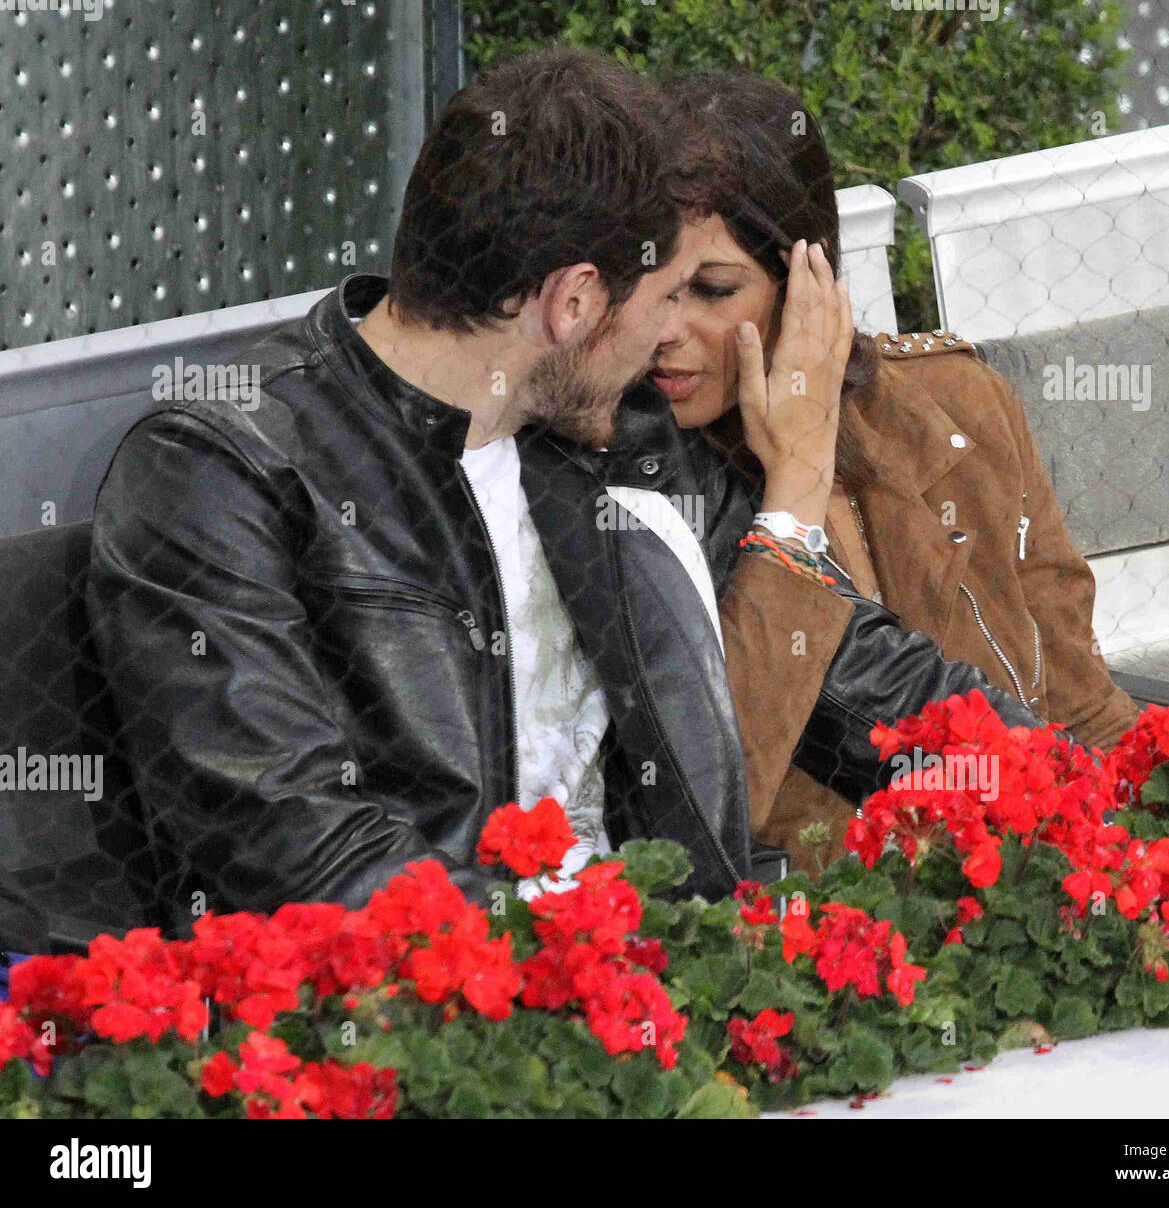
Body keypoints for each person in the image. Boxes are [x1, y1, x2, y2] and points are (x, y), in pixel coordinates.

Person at [86, 45, 758, 927]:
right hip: (425, 1027)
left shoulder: (592, 432)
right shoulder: (222, 468)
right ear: (575, 303)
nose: (672, 334)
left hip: (647, 989)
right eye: (669, 296)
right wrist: (606, 944)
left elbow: (848, 677)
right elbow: (299, 859)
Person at [655, 68, 1142, 873]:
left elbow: (1081, 704)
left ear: (807, 280)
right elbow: (712, 797)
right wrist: (794, 489)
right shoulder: (635, 483)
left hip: (1028, 887)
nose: (666, 332)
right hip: (821, 944)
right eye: (649, 286)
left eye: (712, 290)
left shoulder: (958, 405)